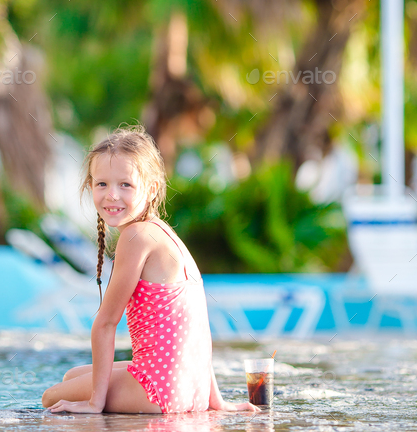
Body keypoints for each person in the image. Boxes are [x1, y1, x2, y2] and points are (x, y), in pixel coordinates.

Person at [42, 124, 259, 415]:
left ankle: (99, 399)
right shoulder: (165, 233)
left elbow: (105, 324)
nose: (112, 195)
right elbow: (196, 328)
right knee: (72, 376)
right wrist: (216, 402)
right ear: (90, 186)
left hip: (159, 392)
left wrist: (95, 403)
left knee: (51, 397)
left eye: (125, 185)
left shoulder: (136, 237)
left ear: (152, 188)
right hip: (190, 389)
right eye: (102, 184)